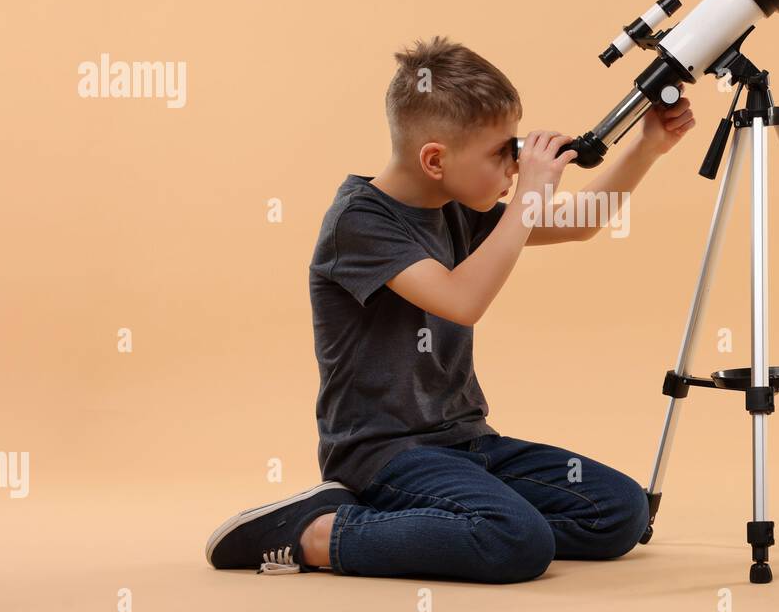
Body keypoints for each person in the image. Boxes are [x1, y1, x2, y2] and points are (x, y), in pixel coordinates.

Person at [205, 35, 695, 582]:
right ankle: (318, 533)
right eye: (499, 154)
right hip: (384, 455)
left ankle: (452, 525)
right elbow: (462, 300)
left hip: (468, 441)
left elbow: (580, 223)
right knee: (517, 542)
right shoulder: (359, 223)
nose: (513, 168)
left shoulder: (457, 208)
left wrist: (647, 146)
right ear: (435, 159)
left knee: (619, 512)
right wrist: (530, 194)